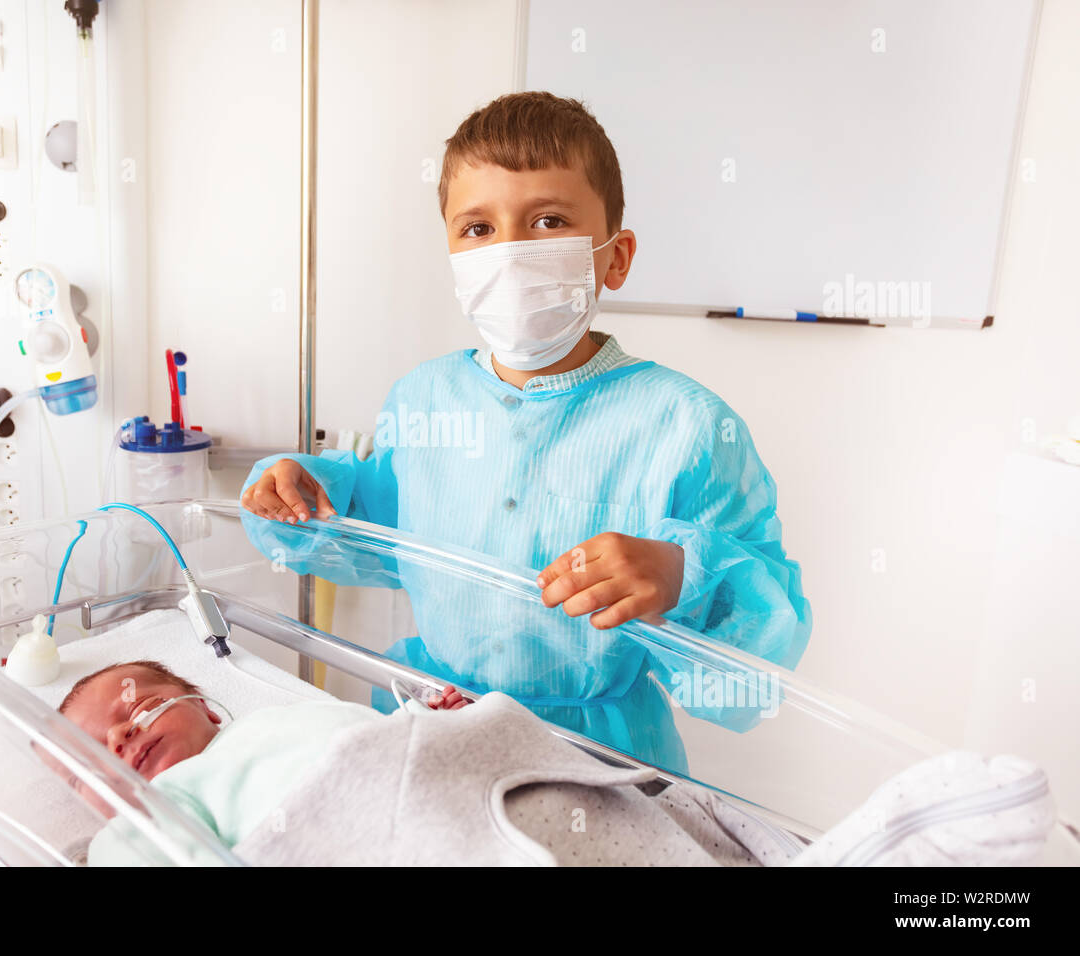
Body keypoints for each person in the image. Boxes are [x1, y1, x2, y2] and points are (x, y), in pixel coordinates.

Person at [239, 91, 811, 771]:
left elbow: (755, 672)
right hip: (432, 728)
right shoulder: (424, 399)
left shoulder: (685, 427)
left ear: (615, 258)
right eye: (477, 228)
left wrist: (682, 575)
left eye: (547, 220)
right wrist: (299, 492)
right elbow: (381, 529)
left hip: (596, 762)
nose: (509, 252)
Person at [56, 660, 469, 849]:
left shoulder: (277, 718)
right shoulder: (143, 820)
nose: (119, 736)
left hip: (439, 788)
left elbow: (355, 727)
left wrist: (428, 719)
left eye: (139, 706)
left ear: (204, 706)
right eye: (89, 756)